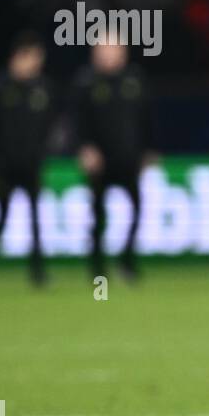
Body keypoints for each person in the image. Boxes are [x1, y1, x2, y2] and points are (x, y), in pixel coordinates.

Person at [0, 33, 54, 287]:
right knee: (1, 218)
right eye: (33, 58)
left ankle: (37, 272)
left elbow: (47, 128)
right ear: (19, 56)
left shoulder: (41, 88)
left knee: (35, 219)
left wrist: (42, 157)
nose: (37, 64)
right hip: (5, 168)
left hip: (32, 166)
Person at [73, 37, 154, 281]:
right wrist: (83, 148)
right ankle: (97, 268)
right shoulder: (85, 83)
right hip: (100, 163)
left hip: (128, 159)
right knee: (98, 215)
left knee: (138, 210)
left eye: (114, 48)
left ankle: (127, 262)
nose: (109, 54)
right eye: (104, 49)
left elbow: (147, 117)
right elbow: (76, 121)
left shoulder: (135, 81)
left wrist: (149, 149)